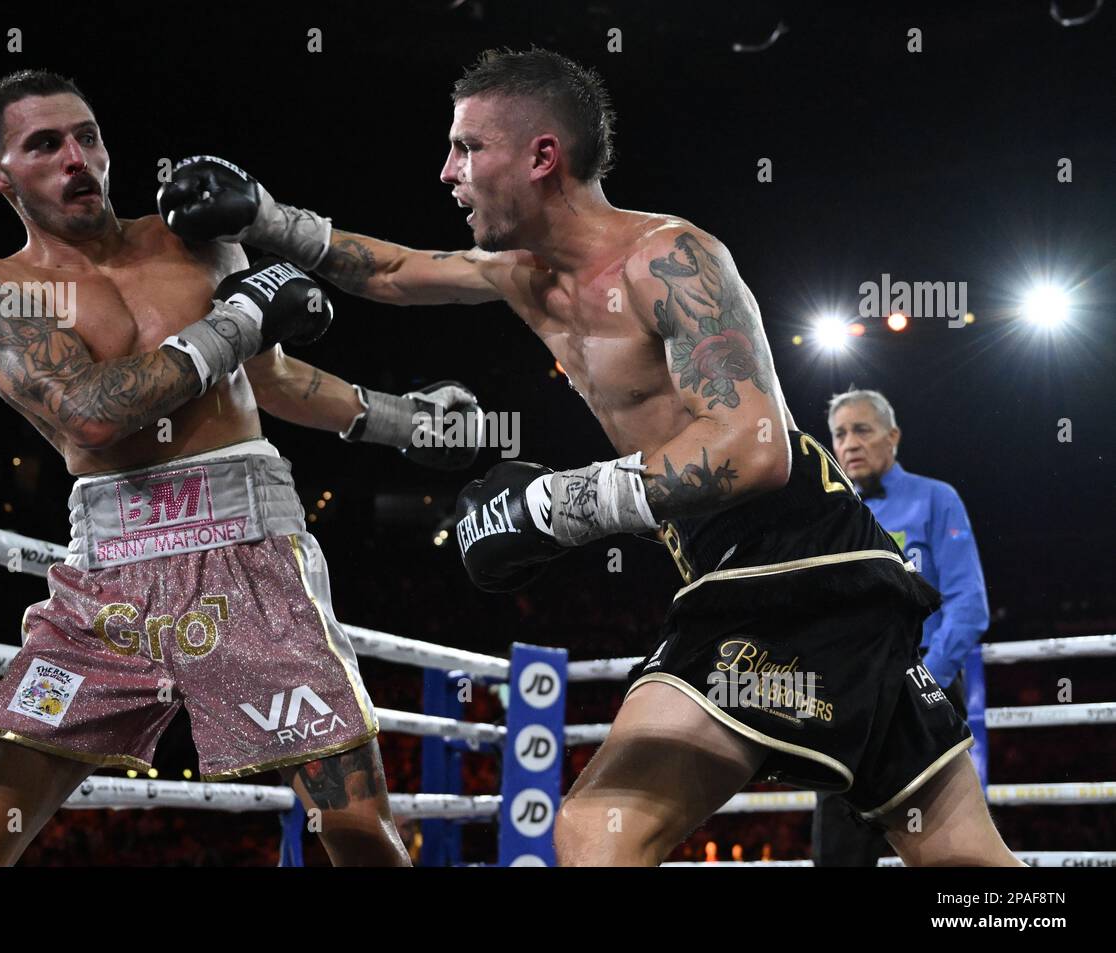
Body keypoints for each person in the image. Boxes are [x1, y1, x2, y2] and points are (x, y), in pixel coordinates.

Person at [170, 47, 1021, 866]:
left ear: (542, 156)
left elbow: (752, 449)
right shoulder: (520, 275)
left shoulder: (670, 258)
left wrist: (552, 509)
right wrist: (264, 218)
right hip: (814, 578)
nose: (446, 171)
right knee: (965, 862)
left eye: (467, 147)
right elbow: (391, 271)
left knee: (596, 834)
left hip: (779, 568)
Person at [0, 69, 479, 867]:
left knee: (356, 831)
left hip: (250, 548)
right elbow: (89, 412)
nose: (77, 158)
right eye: (45, 145)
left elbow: (269, 375)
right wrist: (241, 319)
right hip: (107, 583)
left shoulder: (193, 239)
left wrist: (407, 422)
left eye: (88, 136)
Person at [812, 388, 990, 866]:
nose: (849, 443)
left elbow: (969, 604)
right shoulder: (824, 515)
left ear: (892, 437)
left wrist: (922, 681)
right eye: (840, 433)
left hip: (921, 691)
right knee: (838, 858)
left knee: (950, 855)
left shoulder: (936, 499)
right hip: (848, 706)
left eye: (862, 430)